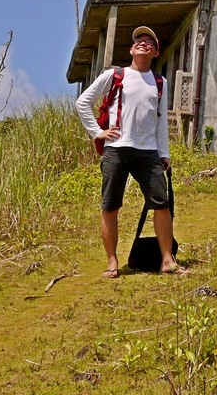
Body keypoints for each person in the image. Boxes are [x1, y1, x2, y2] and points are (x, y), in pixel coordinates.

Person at [76, 26, 185, 277]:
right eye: (139, 40)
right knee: (110, 205)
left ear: (156, 52)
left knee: (161, 204)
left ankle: (167, 261)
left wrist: (164, 153)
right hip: (116, 150)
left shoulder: (160, 82)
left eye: (149, 41)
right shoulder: (115, 75)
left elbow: (160, 121)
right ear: (131, 49)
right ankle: (112, 263)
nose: (143, 43)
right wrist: (97, 132)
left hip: (148, 152)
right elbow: (83, 102)